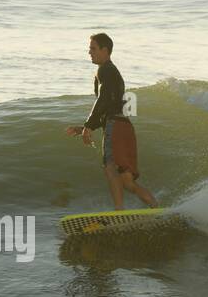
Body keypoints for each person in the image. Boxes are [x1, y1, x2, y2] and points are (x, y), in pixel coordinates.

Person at [65, 32, 158, 210]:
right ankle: (156, 208)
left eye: (93, 48)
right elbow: (110, 107)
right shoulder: (112, 72)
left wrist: (88, 126)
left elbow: (103, 98)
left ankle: (118, 212)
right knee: (127, 182)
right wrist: (83, 127)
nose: (89, 52)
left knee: (110, 168)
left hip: (115, 127)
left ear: (105, 50)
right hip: (125, 126)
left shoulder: (105, 69)